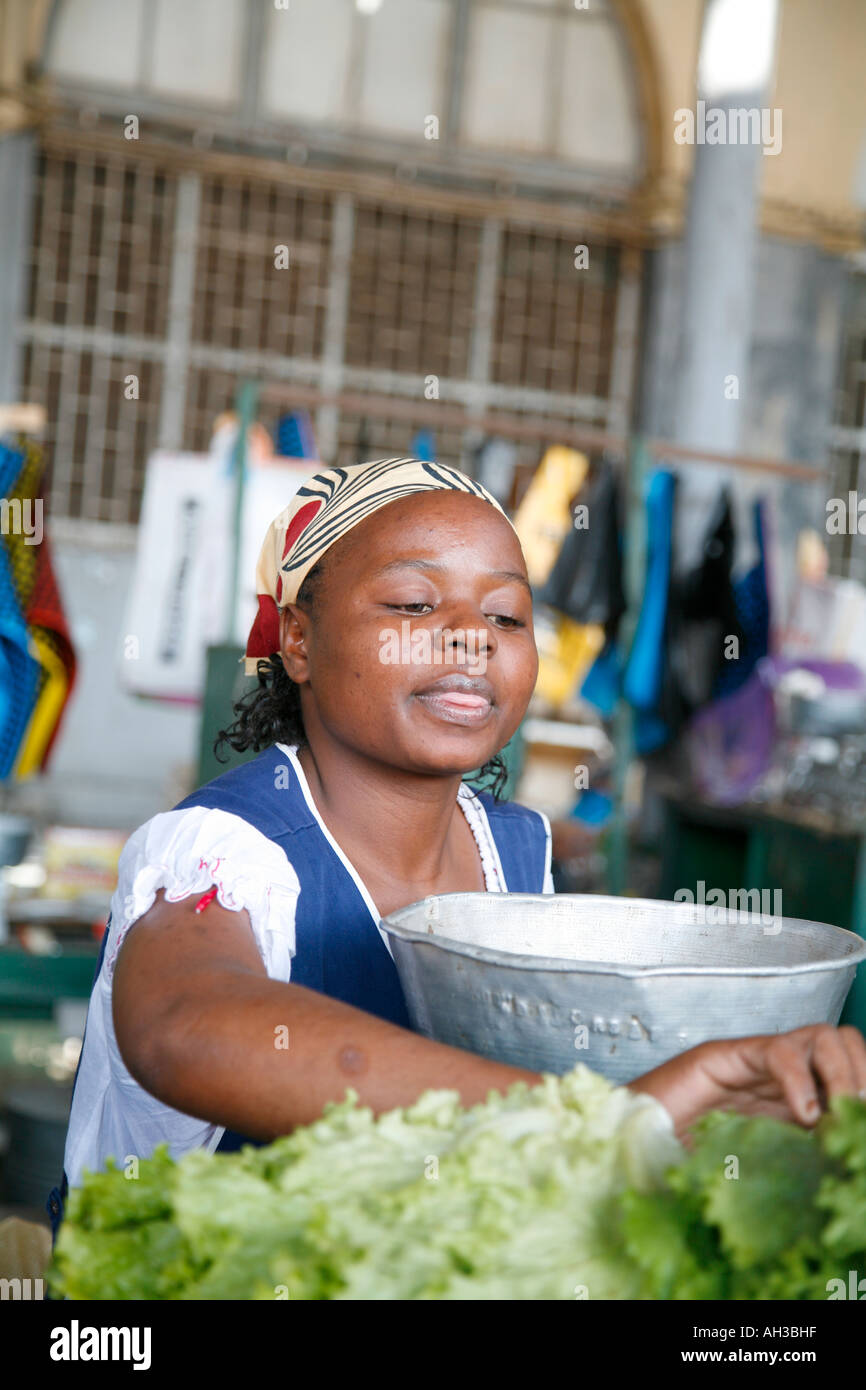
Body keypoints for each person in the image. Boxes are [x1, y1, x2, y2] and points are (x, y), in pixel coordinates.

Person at [54, 457, 866, 1232]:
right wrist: (592, 1124)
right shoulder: (224, 850)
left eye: (507, 615)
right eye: (412, 604)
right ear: (298, 642)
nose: (471, 636)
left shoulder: (515, 853)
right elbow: (182, 1025)